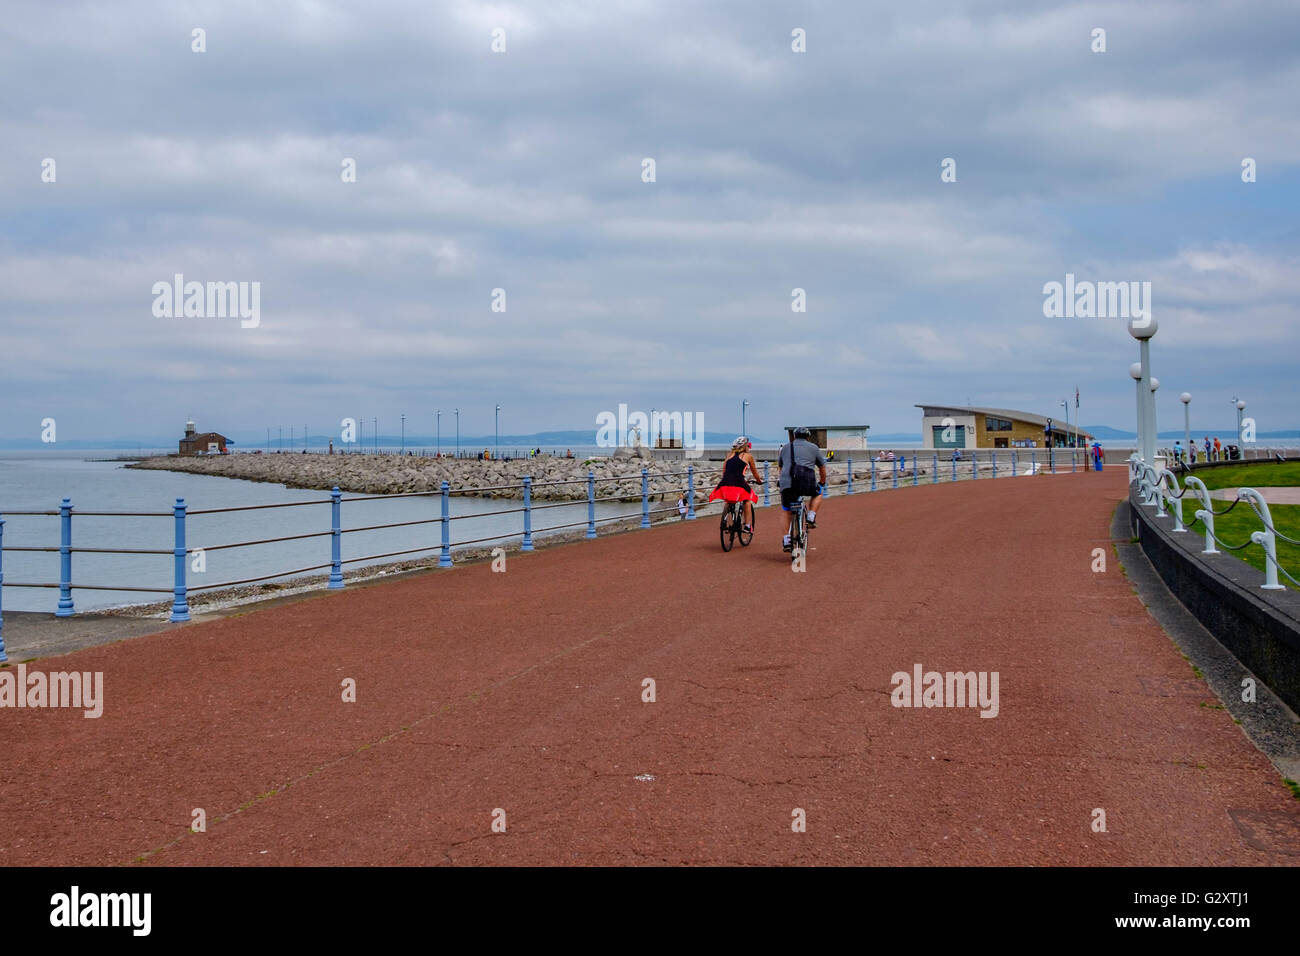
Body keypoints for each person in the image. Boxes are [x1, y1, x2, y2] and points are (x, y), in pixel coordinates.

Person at [778, 427, 827, 552]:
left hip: (787, 482)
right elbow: (822, 468)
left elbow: (780, 467)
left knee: (786, 510)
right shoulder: (814, 448)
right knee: (818, 492)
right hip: (806, 480)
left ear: (794, 436)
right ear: (808, 437)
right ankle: (811, 516)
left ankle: (786, 539)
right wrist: (822, 482)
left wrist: (782, 481)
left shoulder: (785, 448)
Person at [708, 436, 763, 532]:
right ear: (746, 446)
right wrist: (759, 481)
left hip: (725, 482)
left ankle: (724, 521)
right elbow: (755, 472)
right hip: (738, 481)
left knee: (728, 500)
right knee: (747, 499)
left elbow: (724, 470)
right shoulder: (748, 456)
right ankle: (747, 525)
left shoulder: (730, 455)